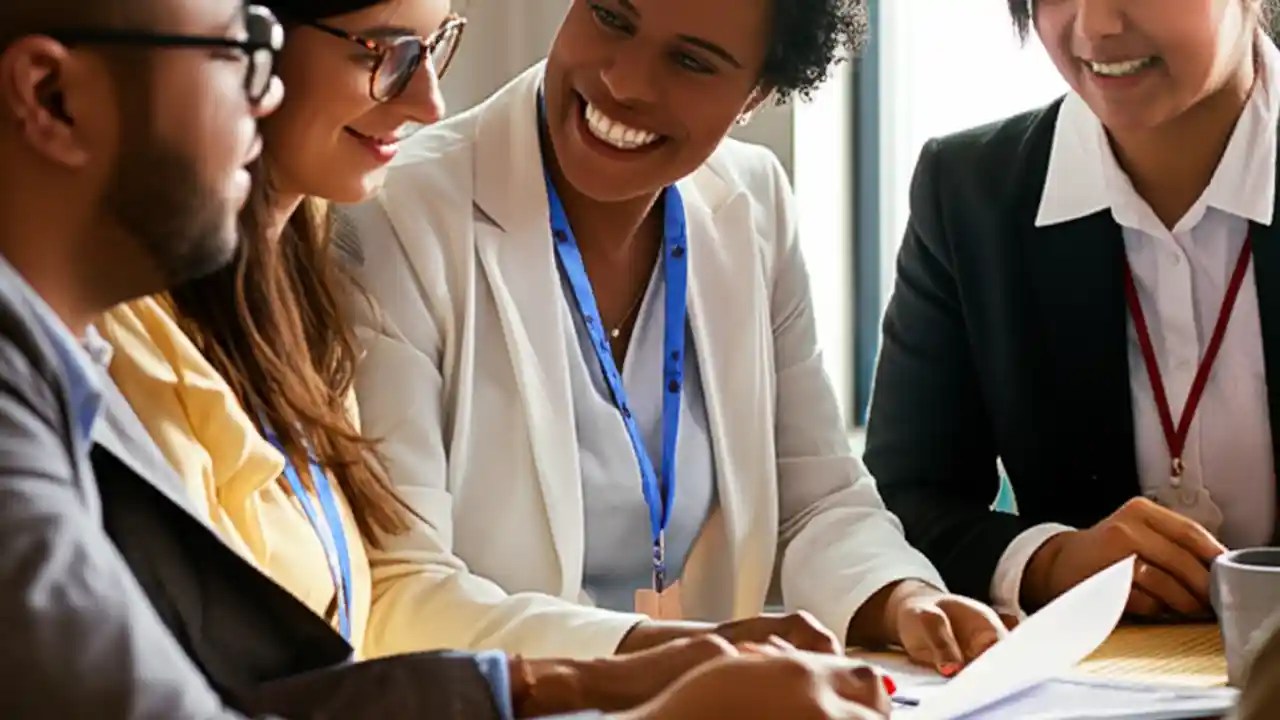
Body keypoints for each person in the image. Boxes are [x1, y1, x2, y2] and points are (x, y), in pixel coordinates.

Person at [0, 0, 892, 717]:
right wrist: (652, 699)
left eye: (434, 48)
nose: (428, 102)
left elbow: (288, 681)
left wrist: (615, 679)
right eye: (241, 50)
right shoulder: (371, 227)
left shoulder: (273, 286)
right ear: (51, 96)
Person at [346, 0, 1006, 674]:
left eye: (691, 61)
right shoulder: (395, 213)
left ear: (757, 95)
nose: (626, 82)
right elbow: (401, 589)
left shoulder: (754, 199)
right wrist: (670, 654)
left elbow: (815, 500)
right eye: (611, 18)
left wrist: (903, 598)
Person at [864, 0, 1280, 620]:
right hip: (1102, 669)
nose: (1096, 26)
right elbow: (902, 502)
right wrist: (1050, 562)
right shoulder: (971, 194)